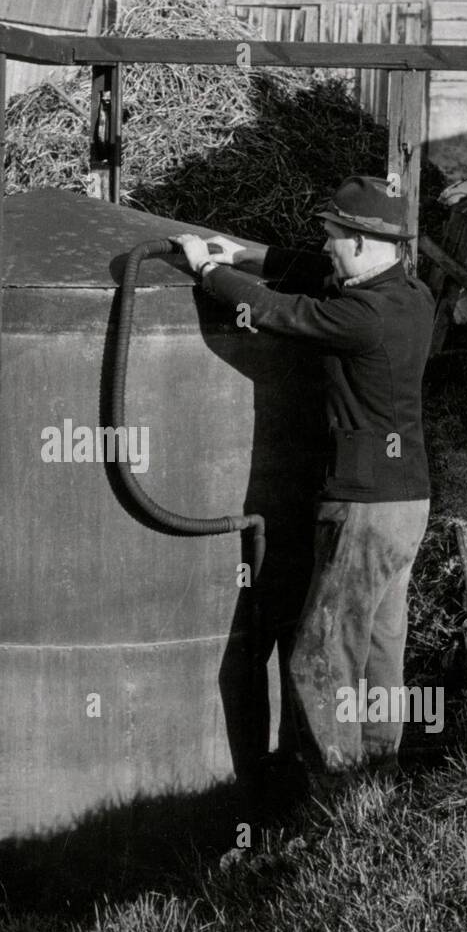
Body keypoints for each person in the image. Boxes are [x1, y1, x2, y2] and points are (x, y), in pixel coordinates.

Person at [172, 175, 435, 801]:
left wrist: (208, 272)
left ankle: (335, 797)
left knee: (319, 657)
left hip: (363, 509)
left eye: (338, 237)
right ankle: (378, 787)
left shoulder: (360, 317)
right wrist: (240, 252)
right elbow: (308, 269)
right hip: (407, 505)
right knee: (376, 652)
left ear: (368, 243)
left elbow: (277, 312)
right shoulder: (409, 294)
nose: (329, 247)